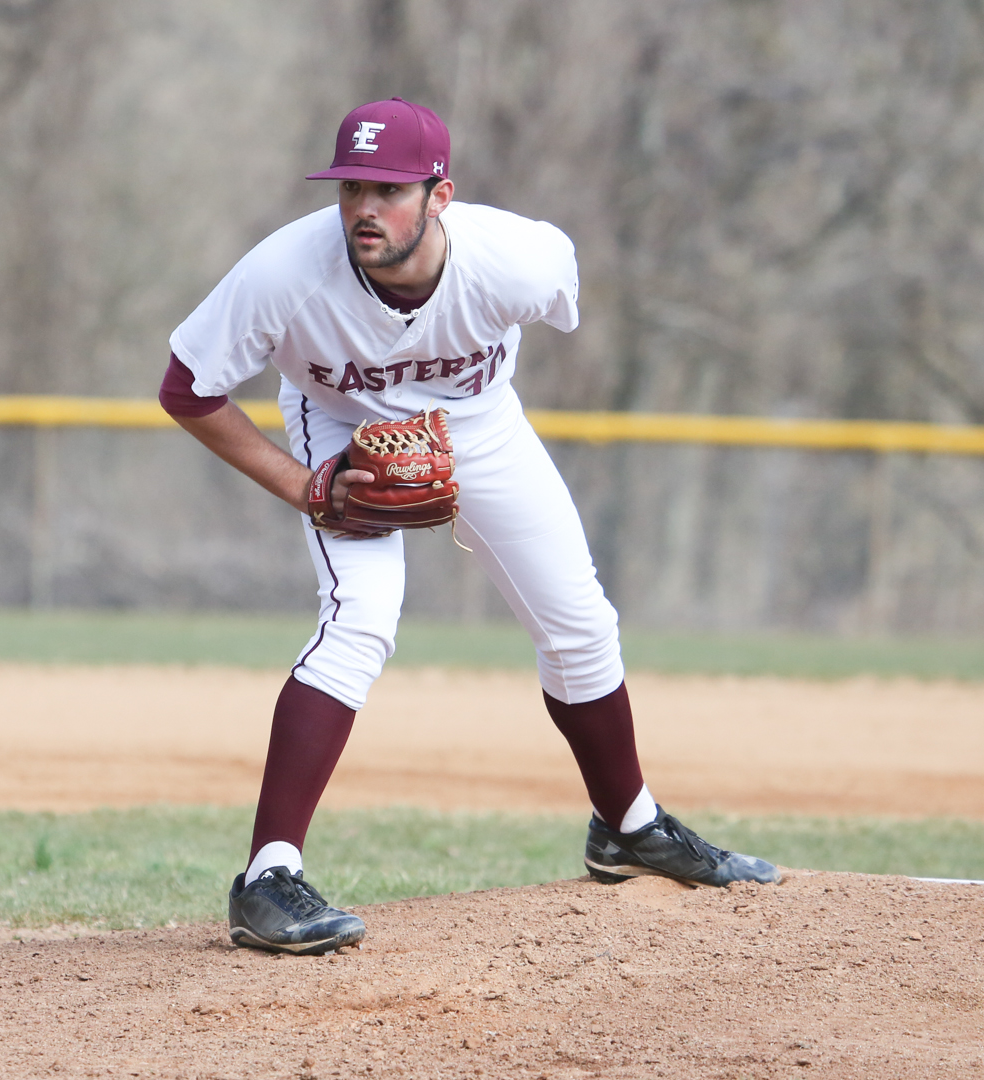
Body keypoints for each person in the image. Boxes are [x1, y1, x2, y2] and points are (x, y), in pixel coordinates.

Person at [160, 98, 778, 956]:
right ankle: (266, 878)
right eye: (349, 188)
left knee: (581, 623)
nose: (363, 208)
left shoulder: (517, 262)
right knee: (361, 619)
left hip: (477, 421)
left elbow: (566, 290)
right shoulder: (287, 273)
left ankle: (627, 828)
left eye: (388, 189)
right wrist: (306, 487)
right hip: (346, 432)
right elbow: (186, 389)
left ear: (441, 194)